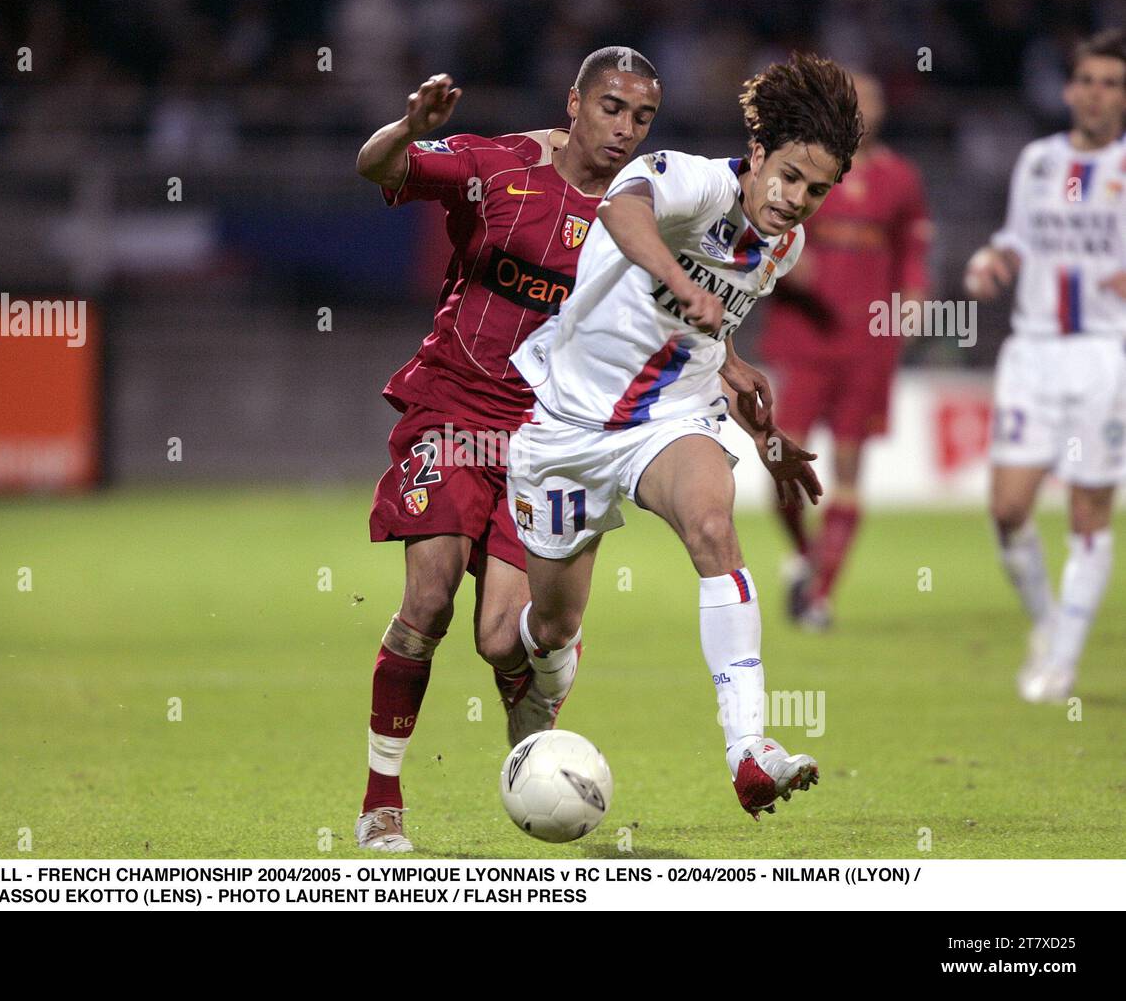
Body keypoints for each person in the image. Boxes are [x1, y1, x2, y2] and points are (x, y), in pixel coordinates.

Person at [508, 53, 862, 820]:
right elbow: (620, 210)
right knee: (553, 625)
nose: (796, 201)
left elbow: (707, 333)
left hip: (667, 420)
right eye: (790, 177)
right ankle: (546, 672)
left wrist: (741, 387)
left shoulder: (783, 245)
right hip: (565, 424)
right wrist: (688, 279)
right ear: (759, 151)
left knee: (712, 523)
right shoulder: (690, 179)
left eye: (817, 190)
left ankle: (748, 751)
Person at [353, 49, 663, 850]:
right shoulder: (500, 165)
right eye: (611, 108)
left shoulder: (649, 213)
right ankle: (381, 801)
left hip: (552, 438)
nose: (624, 129)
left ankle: (547, 664)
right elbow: (374, 166)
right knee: (428, 599)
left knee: (505, 641)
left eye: (640, 117)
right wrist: (408, 129)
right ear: (574, 103)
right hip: (453, 411)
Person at [964, 29, 1126, 703]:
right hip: (1031, 354)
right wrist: (990, 260)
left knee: (1089, 512)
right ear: (1067, 89)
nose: (1097, 94)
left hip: (1100, 357)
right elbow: (1016, 238)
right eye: (1087, 80)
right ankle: (1047, 625)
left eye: (1112, 83)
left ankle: (1060, 663)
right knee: (1007, 509)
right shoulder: (1037, 161)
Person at [759, 72, 932, 630]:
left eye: (873, 98)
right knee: (783, 464)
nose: (865, 109)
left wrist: (914, 300)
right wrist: (784, 259)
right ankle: (809, 560)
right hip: (804, 338)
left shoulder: (900, 179)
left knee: (851, 466)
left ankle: (820, 596)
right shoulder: (800, 168)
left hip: (868, 344)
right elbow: (762, 229)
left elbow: (912, 253)